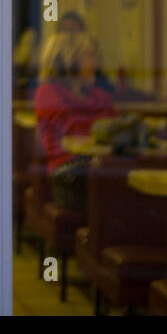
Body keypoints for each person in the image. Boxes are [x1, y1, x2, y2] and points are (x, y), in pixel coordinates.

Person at [34, 31, 115, 211]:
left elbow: (114, 132)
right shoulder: (47, 93)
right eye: (90, 55)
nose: (97, 63)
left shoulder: (100, 96)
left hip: (100, 168)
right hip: (68, 172)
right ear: (70, 60)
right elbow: (74, 132)